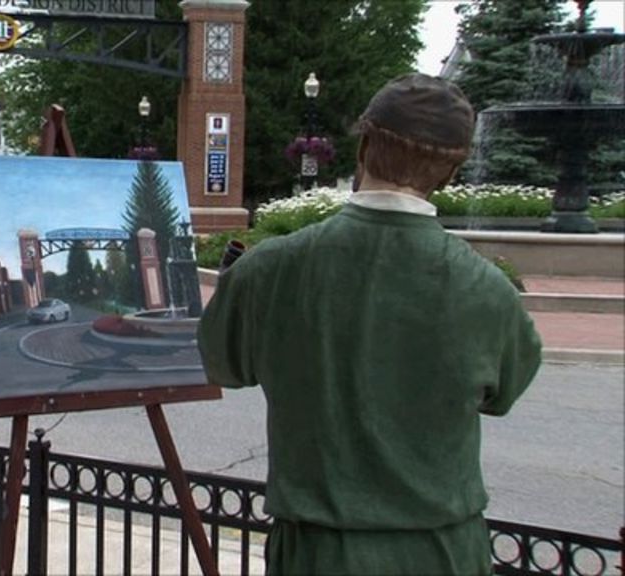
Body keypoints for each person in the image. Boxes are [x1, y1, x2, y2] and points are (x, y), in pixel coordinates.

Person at [197, 73, 543, 575]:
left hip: (318, 554)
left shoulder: (268, 269)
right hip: (443, 553)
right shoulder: (488, 290)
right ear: (448, 172)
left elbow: (221, 364)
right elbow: (503, 394)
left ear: (363, 147)